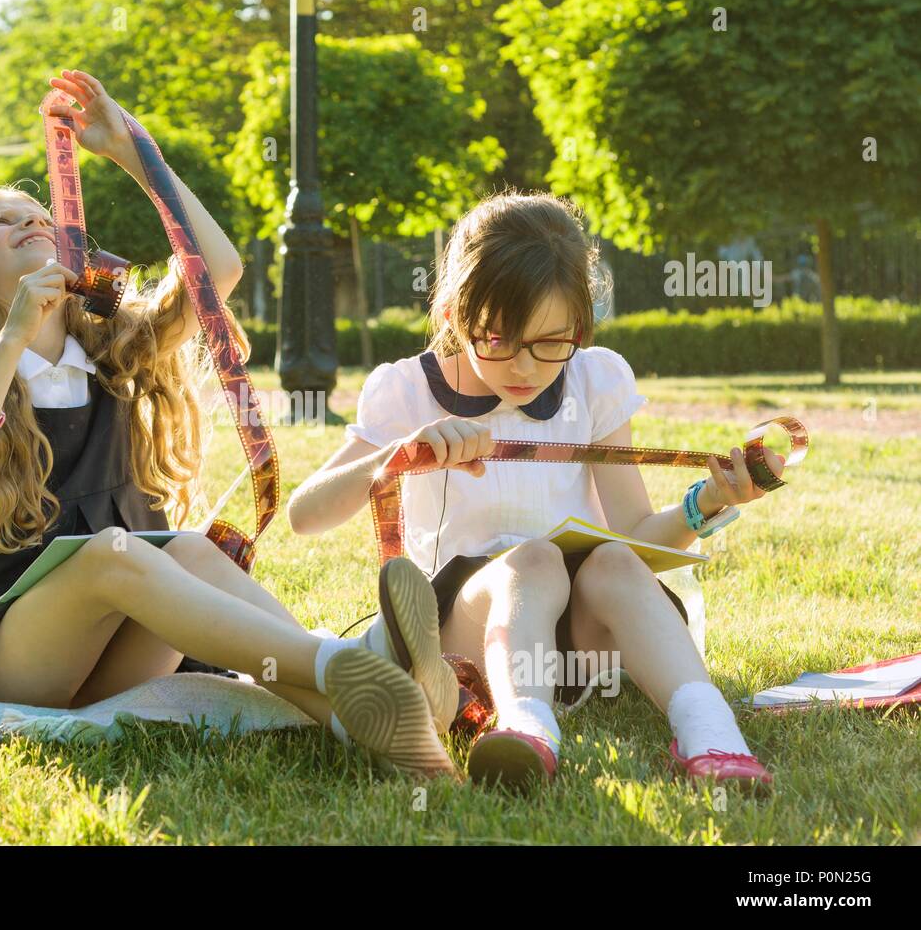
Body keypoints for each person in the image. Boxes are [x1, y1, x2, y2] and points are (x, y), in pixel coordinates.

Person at [0, 69, 455, 778]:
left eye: (38, 213)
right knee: (116, 551)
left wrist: (139, 156)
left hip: (114, 653)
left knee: (198, 553)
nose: (32, 219)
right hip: (2, 657)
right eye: (3, 220)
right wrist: (12, 339)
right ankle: (346, 661)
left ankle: (385, 729)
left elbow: (218, 272)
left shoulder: (105, 341)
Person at [287, 191, 788, 792]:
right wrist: (398, 454)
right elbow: (304, 514)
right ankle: (526, 727)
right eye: (498, 338)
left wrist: (707, 502)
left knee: (614, 561)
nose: (524, 367)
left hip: (577, 651)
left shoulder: (593, 380)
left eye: (550, 341)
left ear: (579, 325)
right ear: (452, 315)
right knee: (533, 559)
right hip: (464, 645)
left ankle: (712, 737)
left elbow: (634, 535)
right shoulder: (406, 392)